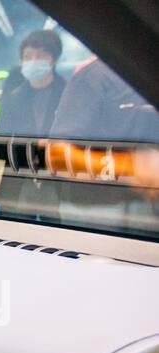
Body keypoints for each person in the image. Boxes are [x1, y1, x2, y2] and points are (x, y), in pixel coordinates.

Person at [48, 55, 159, 232]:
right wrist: (133, 166)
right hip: (98, 210)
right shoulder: (94, 76)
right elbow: (57, 156)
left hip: (144, 207)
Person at [0, 30, 66, 221]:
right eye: (28, 57)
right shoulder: (13, 98)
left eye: (40, 56)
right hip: (18, 181)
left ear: (54, 58)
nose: (33, 61)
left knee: (58, 237)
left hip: (56, 182)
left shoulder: (68, 95)